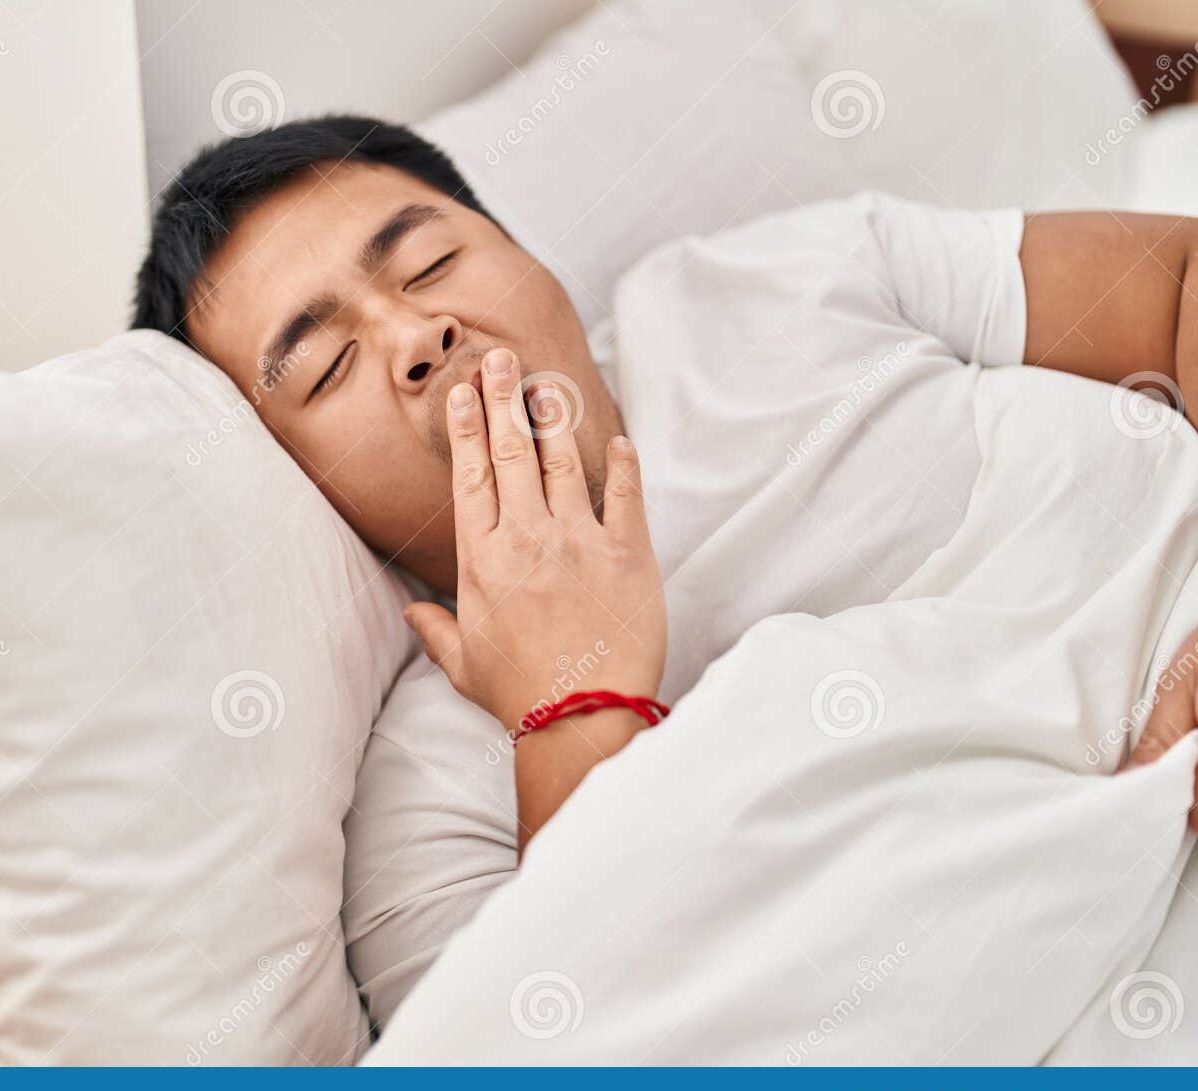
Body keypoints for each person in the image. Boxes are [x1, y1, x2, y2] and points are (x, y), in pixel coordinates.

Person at [133, 115, 1198, 845]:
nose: (419, 335)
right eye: (327, 366)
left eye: (430, 265)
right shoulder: (437, 791)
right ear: (298, 484)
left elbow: (1178, 283)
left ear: (527, 253)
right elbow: (616, 1051)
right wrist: (569, 710)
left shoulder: (773, 284)